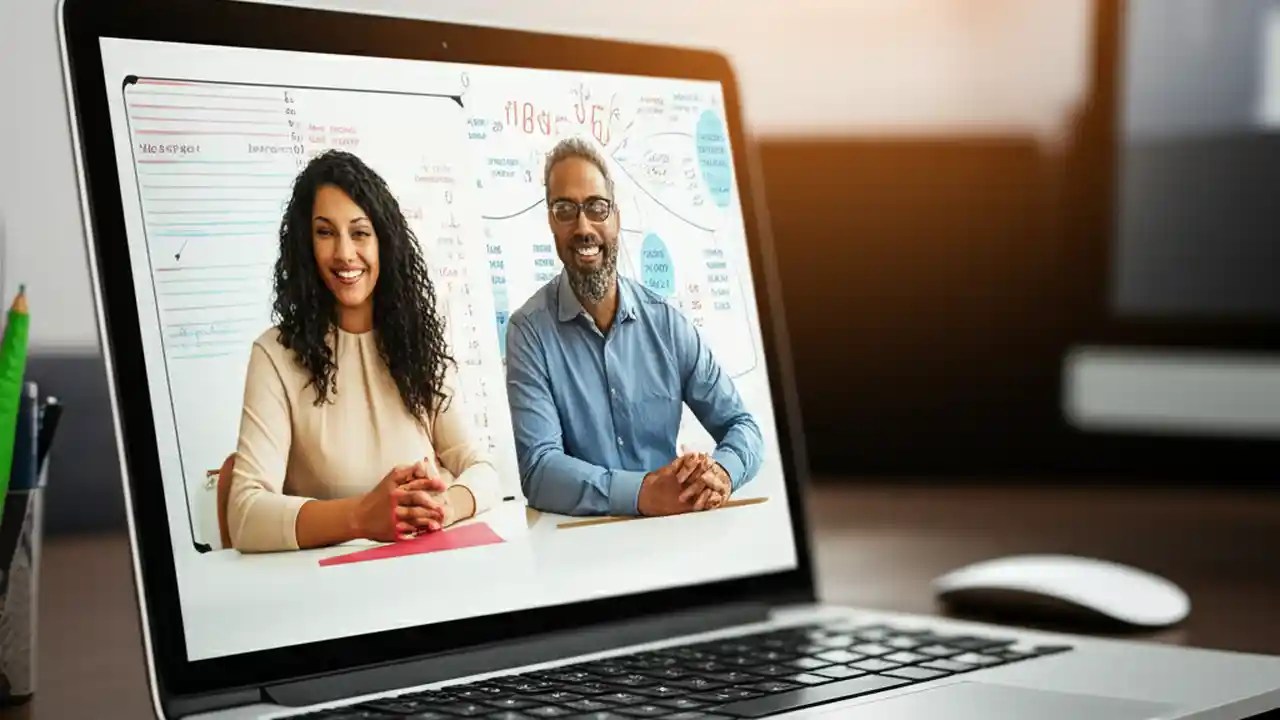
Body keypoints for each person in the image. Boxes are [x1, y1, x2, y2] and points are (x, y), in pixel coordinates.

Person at [227, 150, 498, 552]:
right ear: (305, 246)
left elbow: (483, 470)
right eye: (324, 232)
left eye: (359, 232)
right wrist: (360, 517)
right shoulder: (275, 356)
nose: (344, 253)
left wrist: (445, 506)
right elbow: (245, 515)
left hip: (426, 574)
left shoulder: (418, 346)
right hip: (329, 594)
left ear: (383, 243)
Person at [505, 137, 763, 517]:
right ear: (550, 222)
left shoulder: (667, 324)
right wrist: (642, 492)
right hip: (582, 548)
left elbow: (742, 426)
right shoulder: (528, 333)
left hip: (674, 532)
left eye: (596, 207)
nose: (583, 227)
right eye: (565, 210)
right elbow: (540, 470)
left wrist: (722, 473)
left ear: (616, 217)